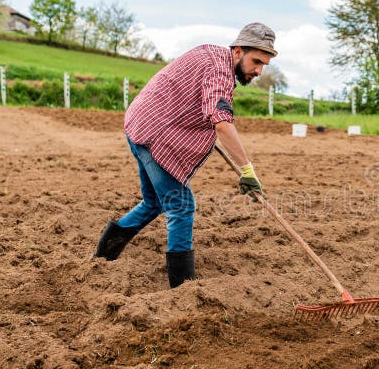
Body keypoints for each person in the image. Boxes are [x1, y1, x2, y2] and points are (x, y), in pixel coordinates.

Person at [93, 22, 277, 288]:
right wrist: (247, 170)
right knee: (181, 206)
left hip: (140, 125)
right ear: (238, 51)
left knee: (154, 202)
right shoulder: (220, 72)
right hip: (156, 136)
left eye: (264, 64)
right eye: (256, 61)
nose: (259, 70)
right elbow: (222, 122)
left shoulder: (210, 54)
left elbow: (192, 95)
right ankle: (182, 289)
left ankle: (102, 258)